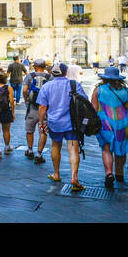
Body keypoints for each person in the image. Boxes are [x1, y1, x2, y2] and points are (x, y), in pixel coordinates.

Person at [36, 62, 85, 191]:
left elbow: (42, 107)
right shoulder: (74, 84)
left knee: (55, 146)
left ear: (52, 73)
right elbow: (84, 101)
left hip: (54, 122)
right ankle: (74, 177)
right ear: (66, 72)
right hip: (72, 122)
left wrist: (41, 122)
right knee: (73, 149)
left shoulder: (46, 87)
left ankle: (56, 173)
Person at [91, 66, 128, 188]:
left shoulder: (98, 90)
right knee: (120, 149)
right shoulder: (127, 91)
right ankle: (120, 173)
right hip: (123, 123)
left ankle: (109, 173)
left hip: (105, 123)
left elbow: (93, 110)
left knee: (106, 149)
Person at [22, 60, 50, 163]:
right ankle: (39, 154)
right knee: (42, 131)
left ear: (35, 66)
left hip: (32, 108)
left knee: (30, 130)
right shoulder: (49, 77)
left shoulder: (30, 76)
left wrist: (26, 100)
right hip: (45, 109)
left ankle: (30, 150)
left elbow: (24, 90)